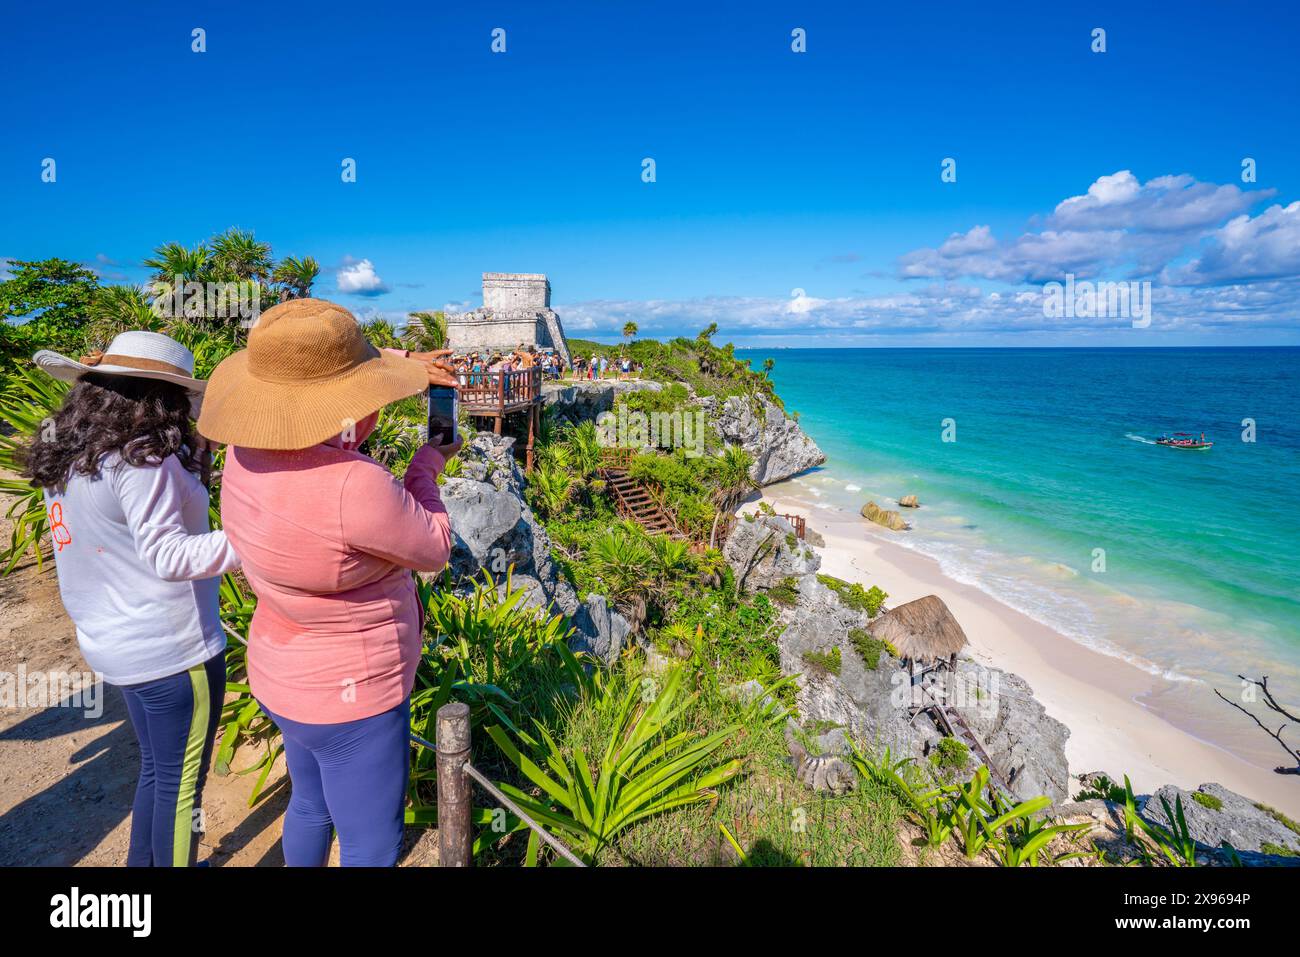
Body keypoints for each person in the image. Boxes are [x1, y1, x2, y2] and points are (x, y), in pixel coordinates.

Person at [198, 299, 458, 867]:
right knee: (370, 841)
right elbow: (434, 547)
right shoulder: (353, 485)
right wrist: (428, 465)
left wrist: (404, 362)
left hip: (283, 678)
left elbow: (314, 385)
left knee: (311, 805)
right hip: (353, 695)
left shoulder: (245, 456)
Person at [24, 331, 240, 867]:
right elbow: (169, 556)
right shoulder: (144, 459)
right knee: (180, 790)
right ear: (158, 399)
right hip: (173, 649)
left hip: (116, 644)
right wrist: (262, 538)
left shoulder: (72, 457)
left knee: (158, 771)